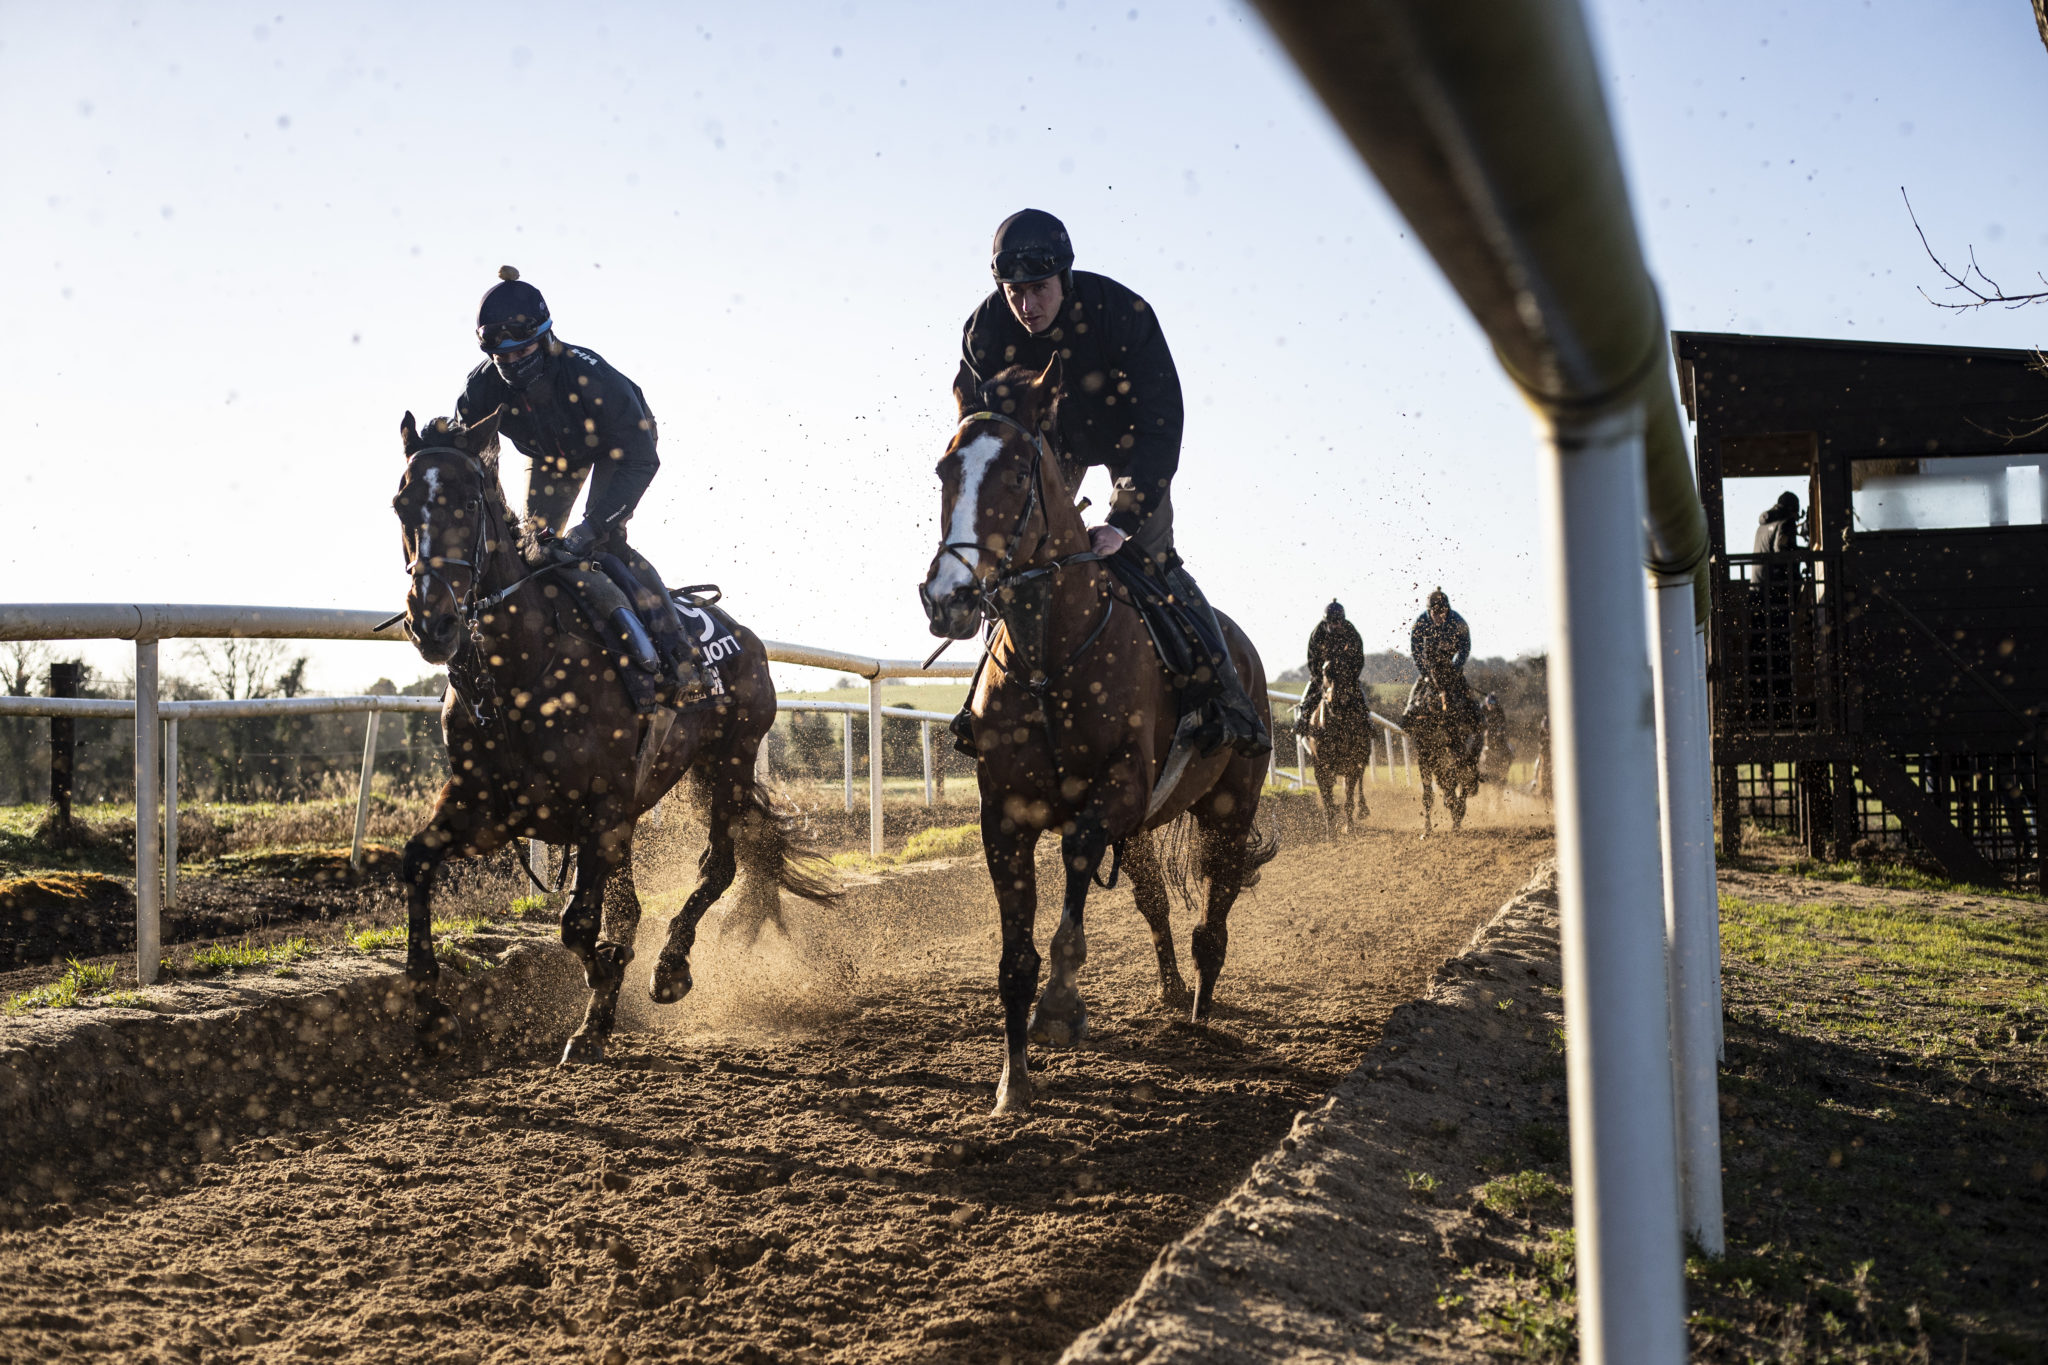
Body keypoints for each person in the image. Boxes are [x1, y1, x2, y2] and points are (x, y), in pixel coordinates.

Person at [950, 209, 1269, 756]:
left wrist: (1122, 522)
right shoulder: (986, 331)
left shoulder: (1123, 314)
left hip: (1131, 444)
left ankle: (1223, 696)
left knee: (1149, 558)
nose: (1026, 307)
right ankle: (984, 699)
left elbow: (1161, 424)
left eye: (1039, 290)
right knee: (1014, 557)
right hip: (1046, 450)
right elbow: (980, 433)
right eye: (1013, 292)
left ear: (1064, 278)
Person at [454, 269, 704, 711]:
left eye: (521, 352)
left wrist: (592, 528)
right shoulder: (481, 387)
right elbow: (471, 462)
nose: (510, 365)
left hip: (621, 448)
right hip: (549, 454)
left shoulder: (590, 377)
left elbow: (641, 458)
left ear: (546, 337)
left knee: (599, 548)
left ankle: (680, 658)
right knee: (535, 549)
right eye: (500, 358)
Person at [1406, 588, 1477, 729]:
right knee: (1420, 685)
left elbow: (1465, 648)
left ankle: (1476, 718)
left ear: (1447, 610)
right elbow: (1416, 651)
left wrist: (1456, 668)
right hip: (1430, 663)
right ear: (1429, 611)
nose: (1439, 617)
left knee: (1464, 688)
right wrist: (1425, 671)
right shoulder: (1419, 623)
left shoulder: (1458, 622)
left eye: (1442, 612)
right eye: (1435, 613)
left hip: (1450, 662)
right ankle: (1408, 712)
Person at [1298, 600, 1365, 733]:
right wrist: (1319, 677)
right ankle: (1302, 720)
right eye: (1333, 622)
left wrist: (1351, 676)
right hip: (1323, 674)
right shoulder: (1317, 633)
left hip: (1346, 674)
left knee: (1359, 695)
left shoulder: (1351, 632)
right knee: (1308, 697)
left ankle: (1367, 721)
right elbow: (1312, 659)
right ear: (1326, 622)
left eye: (1338, 621)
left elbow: (1358, 659)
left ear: (1343, 620)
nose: (1336, 625)